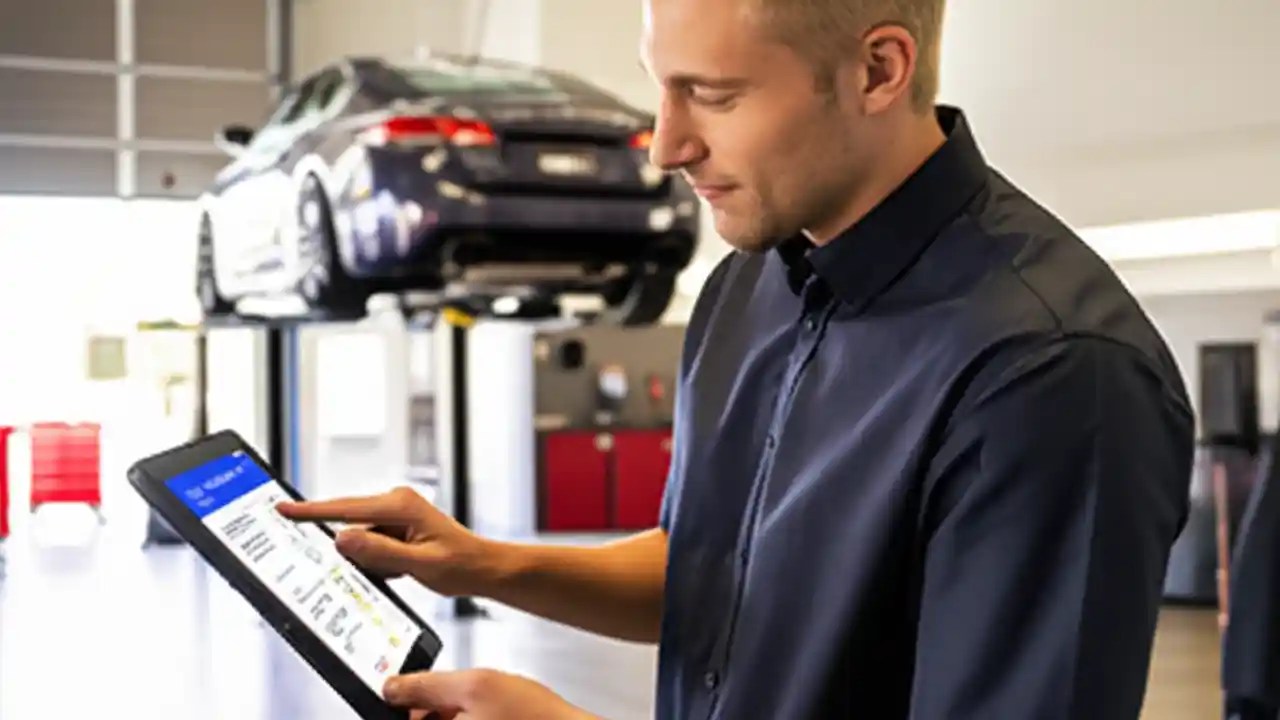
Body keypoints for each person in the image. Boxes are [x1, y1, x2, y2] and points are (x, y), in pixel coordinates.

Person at [279, 0, 1196, 716]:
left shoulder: (1052, 375)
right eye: (660, 86)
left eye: (713, 95)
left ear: (879, 69)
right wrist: (483, 564)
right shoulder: (748, 289)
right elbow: (710, 573)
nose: (667, 144)